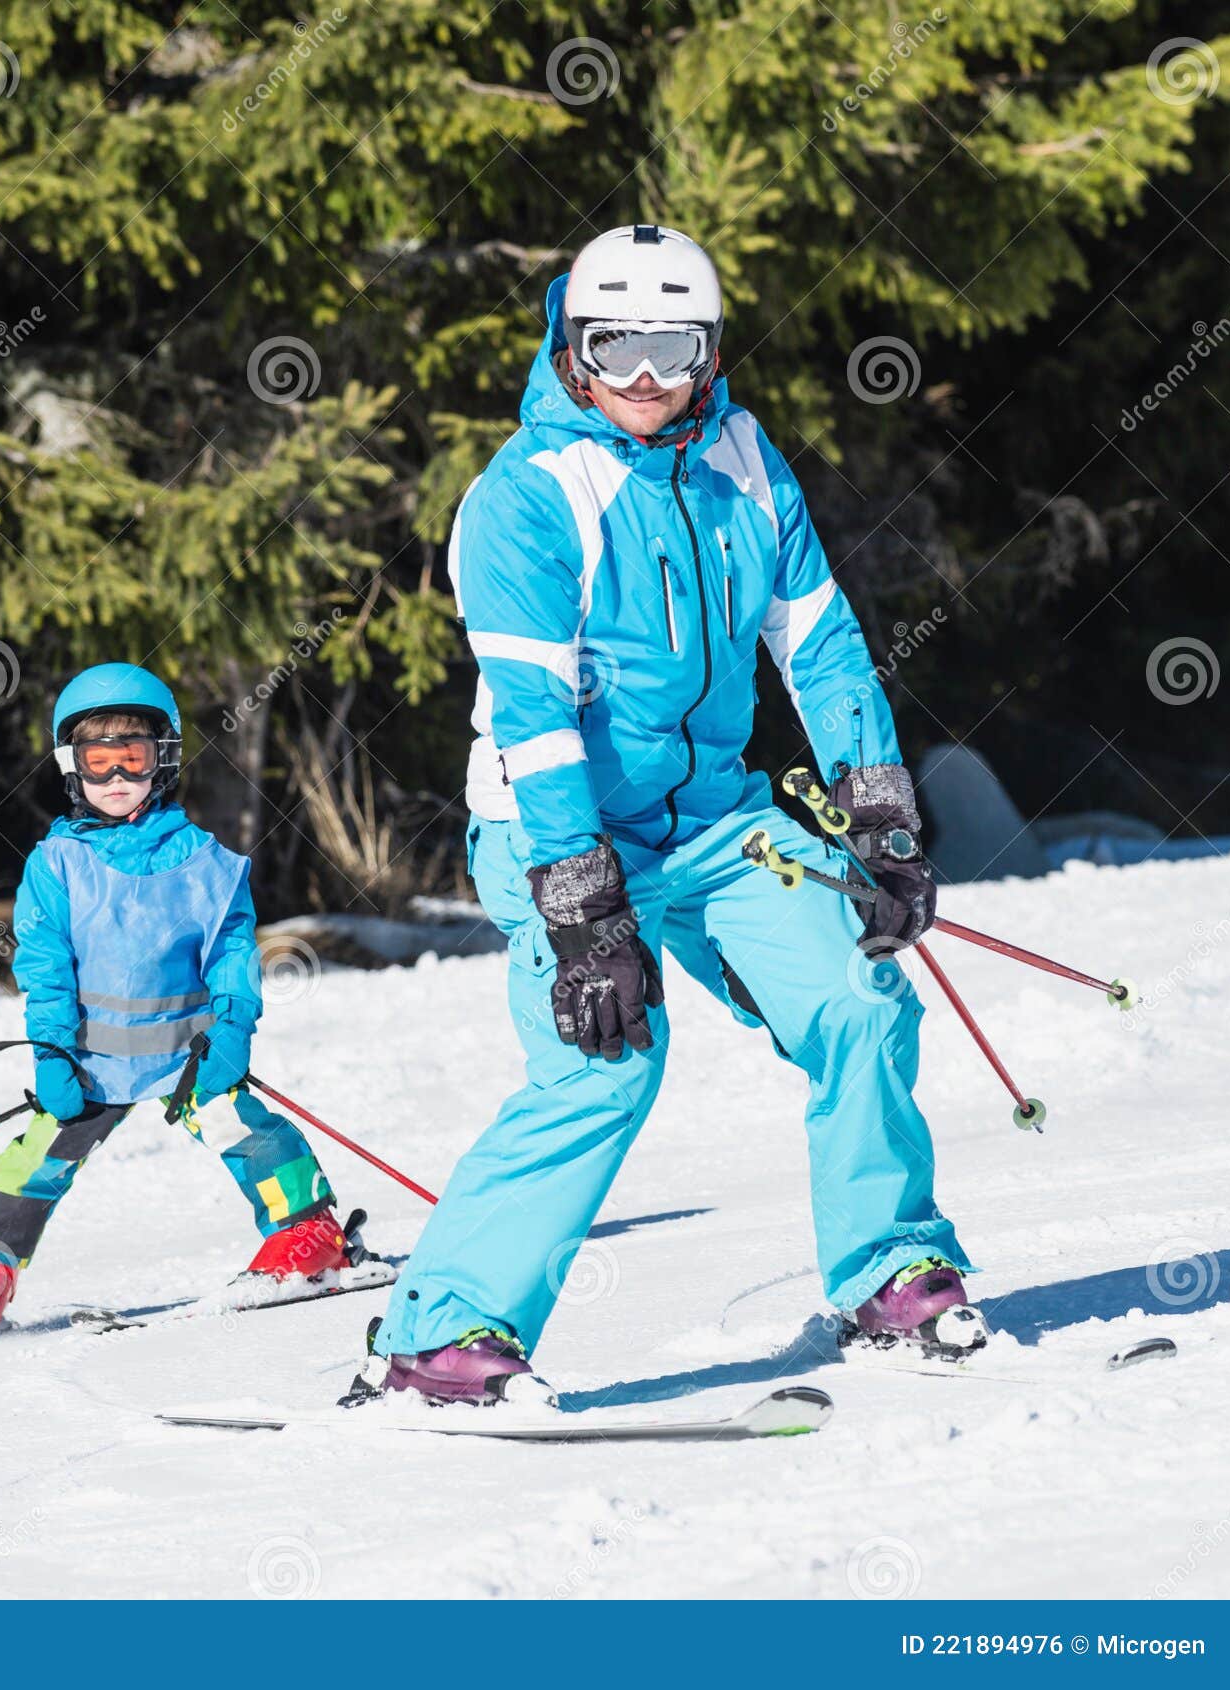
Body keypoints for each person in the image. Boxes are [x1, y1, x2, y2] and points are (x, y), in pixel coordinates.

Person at [353, 225, 976, 1407]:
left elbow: (821, 644)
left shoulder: (743, 456)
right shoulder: (526, 497)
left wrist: (879, 816)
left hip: (717, 820)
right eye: (616, 345)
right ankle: (440, 1337)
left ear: (710, 348)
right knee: (604, 1064)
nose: (644, 376)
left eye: (671, 346)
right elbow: (535, 721)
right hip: (559, 835)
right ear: (571, 347)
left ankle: (889, 1269)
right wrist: (587, 912)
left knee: (856, 995)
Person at [0, 662, 370, 1344]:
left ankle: (309, 1235)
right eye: (97, 761)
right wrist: (51, 1048)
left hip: (190, 1053)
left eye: (131, 760)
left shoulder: (207, 861)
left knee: (247, 1131)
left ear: (162, 760)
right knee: (35, 1159)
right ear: (70, 767)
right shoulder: (56, 865)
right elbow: (45, 967)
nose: (114, 779)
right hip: (90, 1062)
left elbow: (232, 951)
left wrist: (233, 1025)